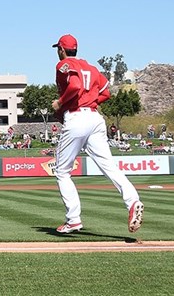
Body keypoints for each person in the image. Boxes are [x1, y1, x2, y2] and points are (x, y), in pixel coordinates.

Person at [49, 34, 143, 234]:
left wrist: (60, 103)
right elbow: (106, 93)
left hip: (77, 118)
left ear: (62, 50)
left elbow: (74, 86)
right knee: (109, 166)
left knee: (62, 171)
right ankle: (133, 201)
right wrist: (90, 102)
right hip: (94, 118)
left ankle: (73, 219)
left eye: (58, 48)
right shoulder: (91, 68)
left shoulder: (64, 64)